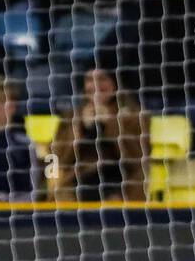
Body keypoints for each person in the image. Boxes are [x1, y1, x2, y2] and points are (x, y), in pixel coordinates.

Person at [47, 68, 148, 203]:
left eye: (102, 79)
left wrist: (110, 123)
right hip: (79, 182)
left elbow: (137, 157)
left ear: (115, 83)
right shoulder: (71, 116)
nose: (95, 85)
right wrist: (79, 126)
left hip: (121, 182)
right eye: (89, 80)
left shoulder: (136, 116)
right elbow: (58, 157)